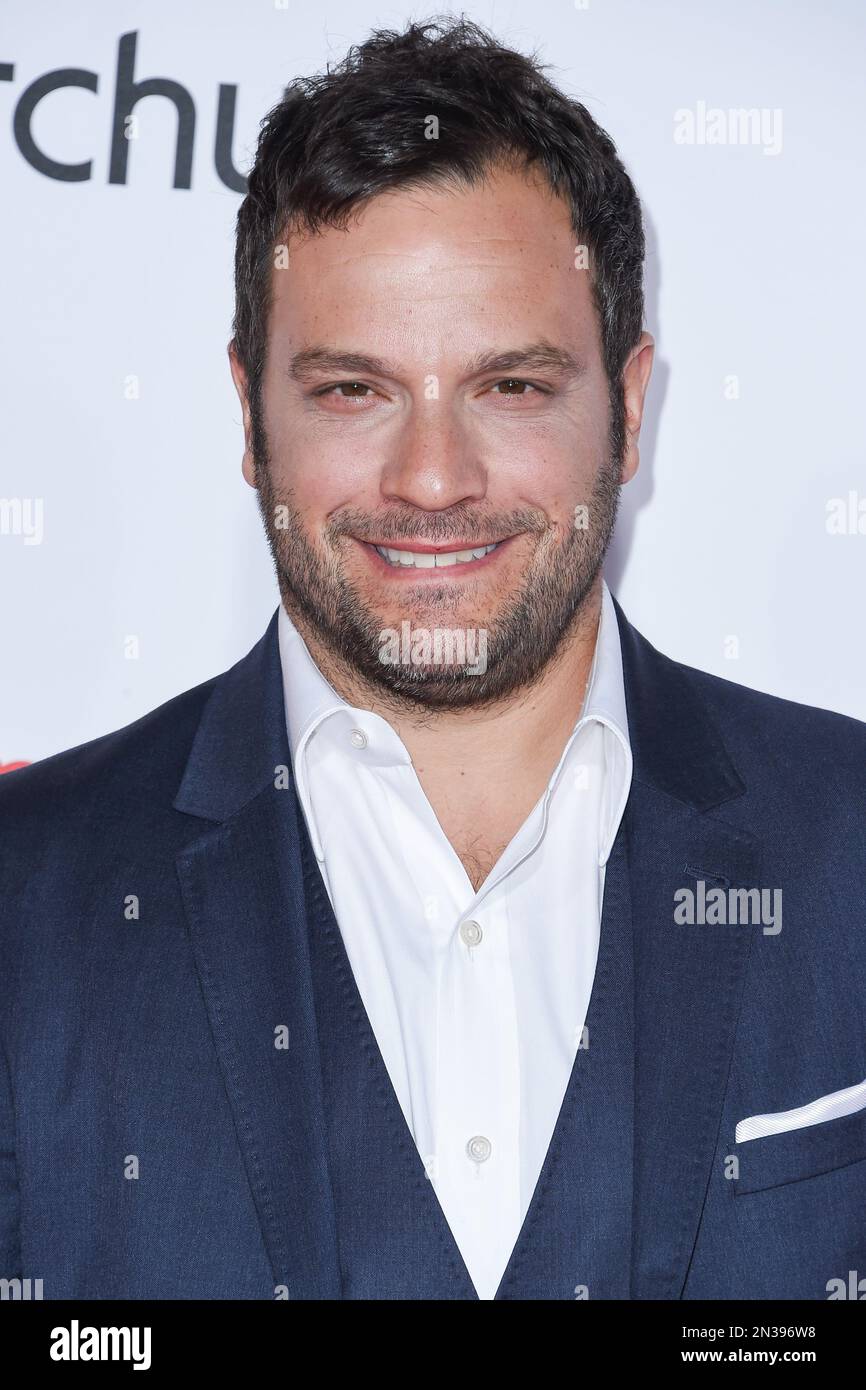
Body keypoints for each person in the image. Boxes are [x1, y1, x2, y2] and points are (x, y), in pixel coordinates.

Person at [1, 16, 864, 1301]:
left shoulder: (846, 831)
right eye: (353, 390)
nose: (433, 480)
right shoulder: (28, 892)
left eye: (510, 387)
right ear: (249, 416)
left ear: (628, 408)